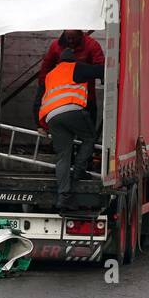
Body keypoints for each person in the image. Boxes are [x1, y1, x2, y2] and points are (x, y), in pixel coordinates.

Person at [39, 48, 105, 211]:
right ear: (73, 60)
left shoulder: (51, 74)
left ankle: (64, 197)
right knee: (89, 138)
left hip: (52, 116)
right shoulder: (76, 67)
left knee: (63, 156)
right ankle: (79, 172)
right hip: (72, 110)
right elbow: (101, 70)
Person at [36, 30, 105, 122]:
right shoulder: (56, 46)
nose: (71, 41)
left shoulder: (91, 45)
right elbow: (46, 67)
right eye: (68, 38)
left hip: (86, 96)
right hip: (62, 98)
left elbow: (100, 67)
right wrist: (43, 86)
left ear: (80, 35)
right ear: (64, 35)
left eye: (73, 38)